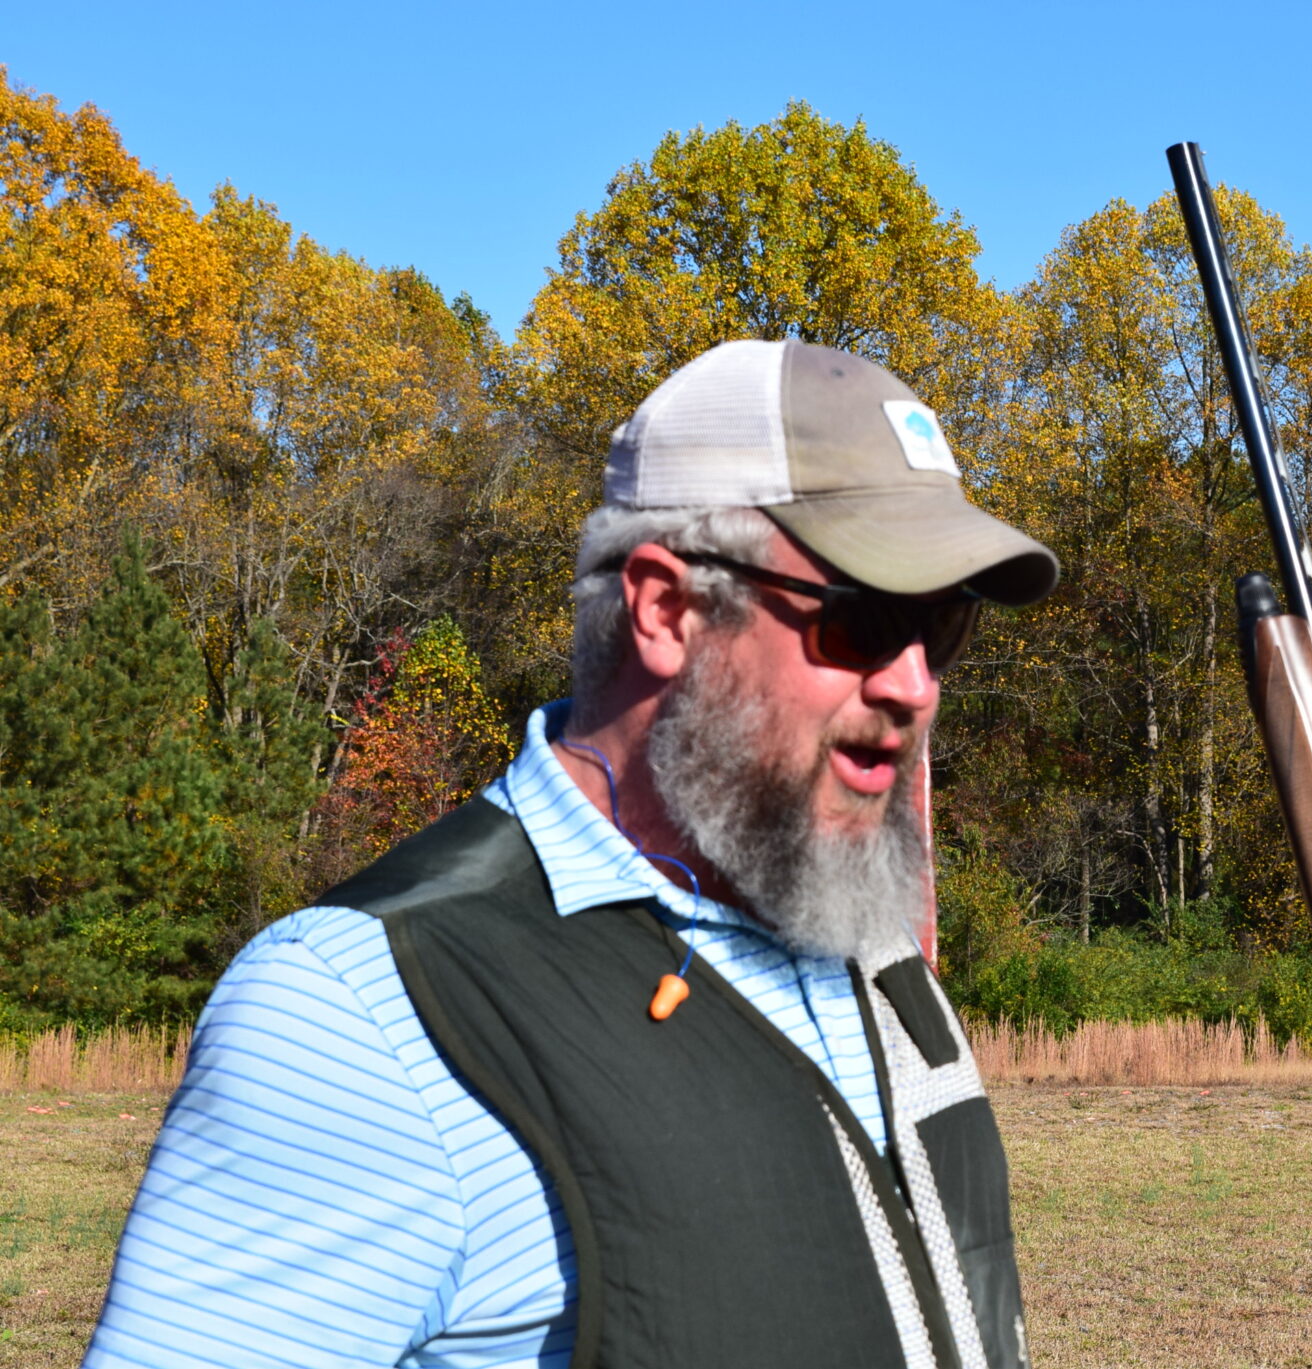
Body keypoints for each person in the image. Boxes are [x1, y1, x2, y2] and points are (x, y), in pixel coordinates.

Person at [85, 340, 1057, 1369]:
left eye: (941, 625)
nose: (915, 684)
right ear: (666, 608)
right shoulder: (360, 1012)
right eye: (861, 620)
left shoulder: (859, 933)